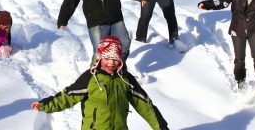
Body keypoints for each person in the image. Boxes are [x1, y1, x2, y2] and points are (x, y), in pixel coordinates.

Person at [31, 36, 170, 130]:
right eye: (107, 58)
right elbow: (68, 96)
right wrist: (45, 105)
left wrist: (161, 127)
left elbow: (144, 104)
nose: (111, 63)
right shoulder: (90, 78)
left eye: (115, 59)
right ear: (99, 58)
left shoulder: (125, 79)